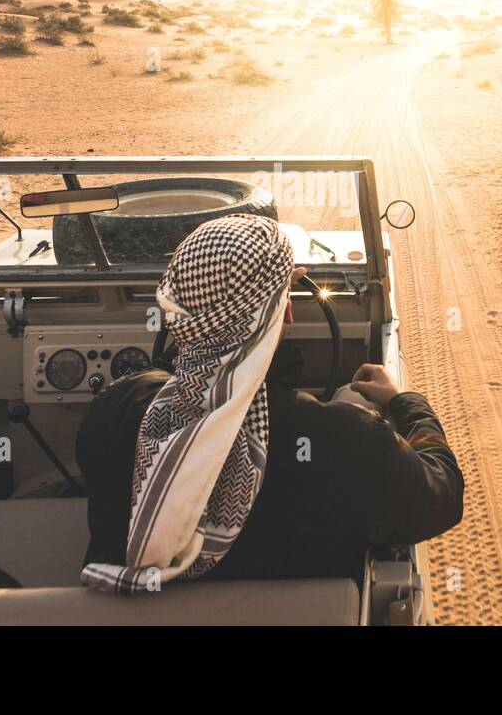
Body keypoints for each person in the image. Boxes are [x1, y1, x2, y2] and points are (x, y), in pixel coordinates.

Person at [78, 213, 462, 593]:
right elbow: (443, 493)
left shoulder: (114, 411)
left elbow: (191, 381)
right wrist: (404, 401)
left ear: (179, 315)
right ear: (285, 313)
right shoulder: (345, 440)